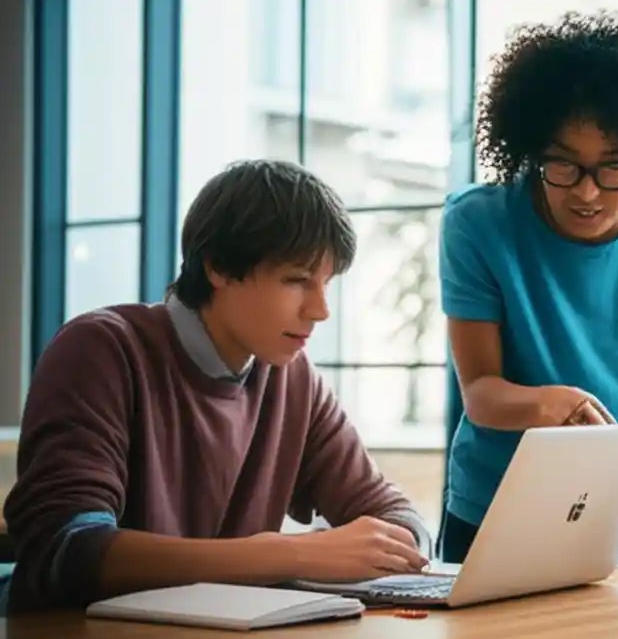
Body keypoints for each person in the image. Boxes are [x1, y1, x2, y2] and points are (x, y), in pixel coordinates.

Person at [2, 159, 433, 612]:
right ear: (219, 268)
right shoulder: (102, 350)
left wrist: (396, 542)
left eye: (326, 283)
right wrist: (294, 553)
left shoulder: (292, 376)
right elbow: (69, 552)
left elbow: (392, 515)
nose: (321, 310)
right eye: (297, 281)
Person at [439, 11, 618, 566]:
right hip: (492, 506)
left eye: (614, 168)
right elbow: (480, 392)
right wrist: (554, 405)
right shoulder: (477, 223)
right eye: (564, 166)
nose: (589, 192)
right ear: (531, 152)